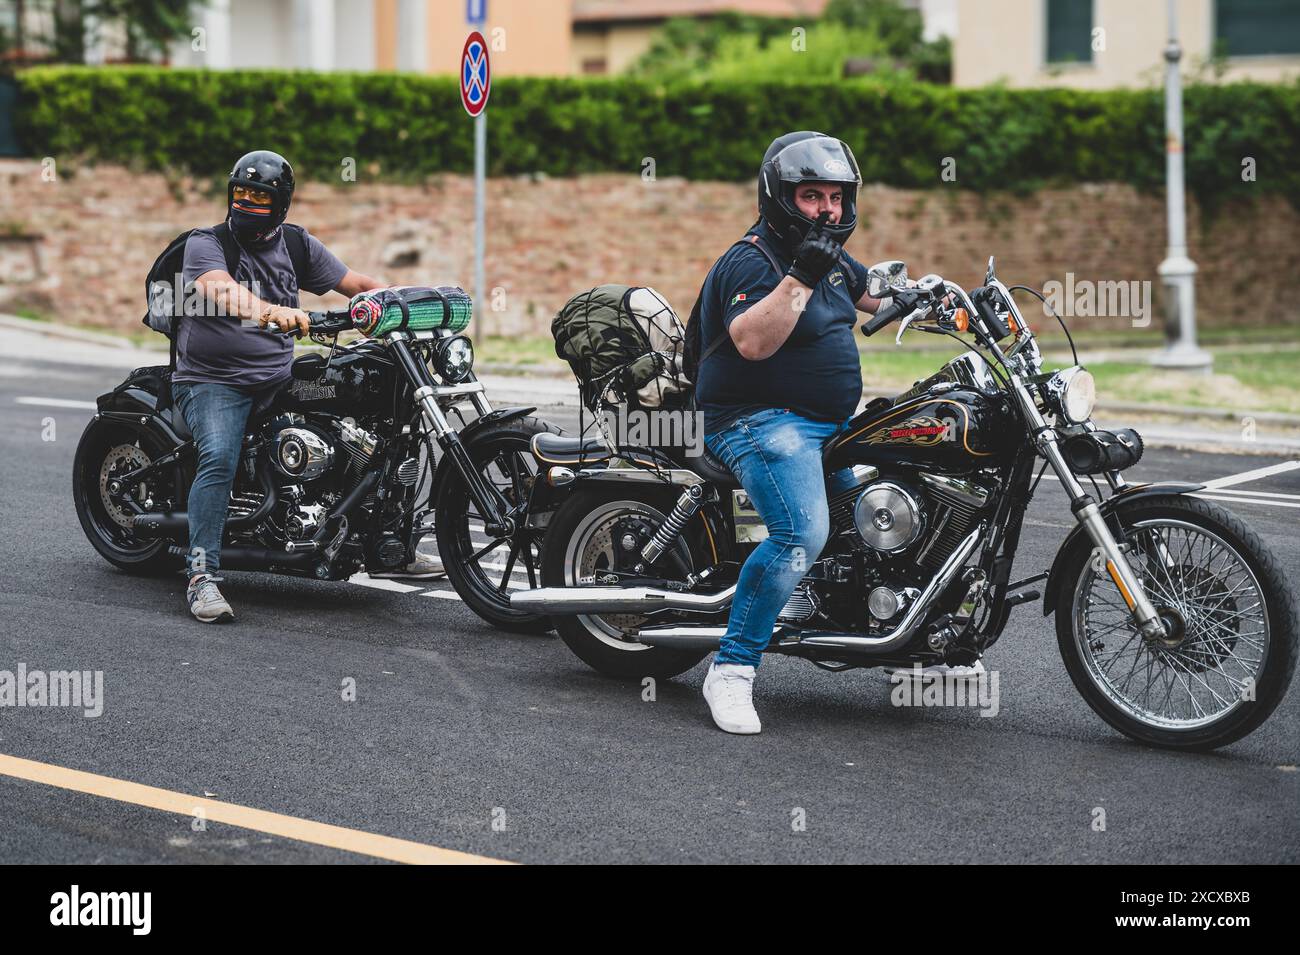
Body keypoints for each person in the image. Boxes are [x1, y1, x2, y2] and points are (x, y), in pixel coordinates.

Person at [694, 131, 977, 735]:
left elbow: (879, 298)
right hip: (757, 420)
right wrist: (799, 277)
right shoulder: (753, 259)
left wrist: (951, 303)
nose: (827, 209)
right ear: (779, 197)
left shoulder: (826, 256)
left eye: (836, 197)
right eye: (811, 196)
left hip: (828, 425)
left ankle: (906, 636)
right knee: (803, 532)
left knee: (873, 519)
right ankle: (732, 669)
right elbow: (752, 341)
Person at [176, 149, 434, 624]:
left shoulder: (295, 244)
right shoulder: (205, 243)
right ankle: (201, 576)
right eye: (241, 193)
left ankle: (390, 545)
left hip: (277, 376)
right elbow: (218, 288)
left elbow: (354, 282)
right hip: (213, 381)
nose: (247, 203)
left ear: (281, 202)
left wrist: (399, 302)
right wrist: (270, 311)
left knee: (377, 423)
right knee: (217, 456)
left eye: (259, 195)